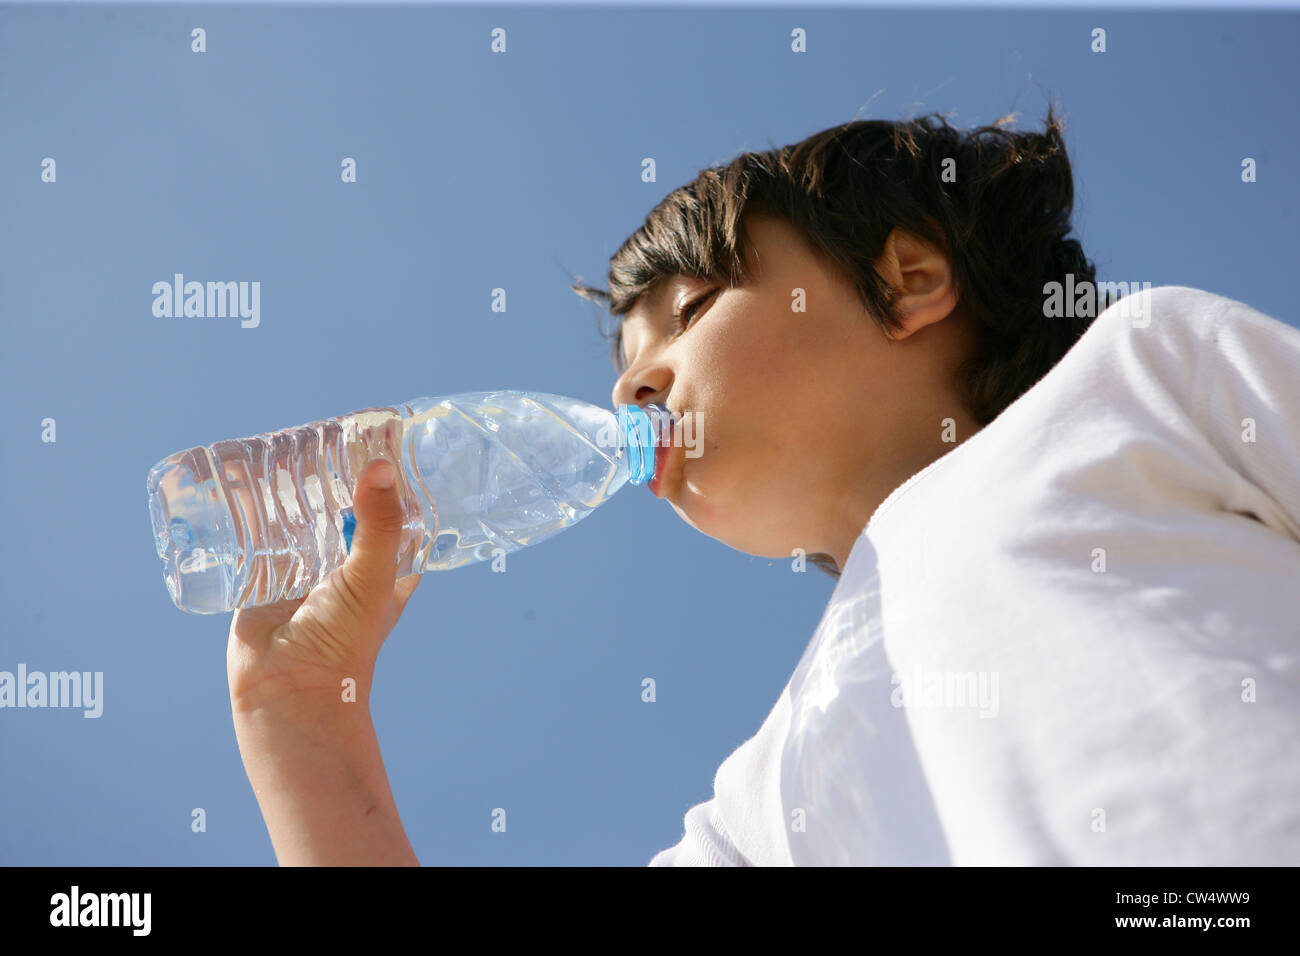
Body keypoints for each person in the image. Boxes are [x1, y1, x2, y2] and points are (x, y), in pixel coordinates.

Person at [227, 107, 1300, 865]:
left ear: (908, 278)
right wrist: (302, 721)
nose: (630, 382)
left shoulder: (1142, 376)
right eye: (621, 366)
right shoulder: (764, 793)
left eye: (688, 310)